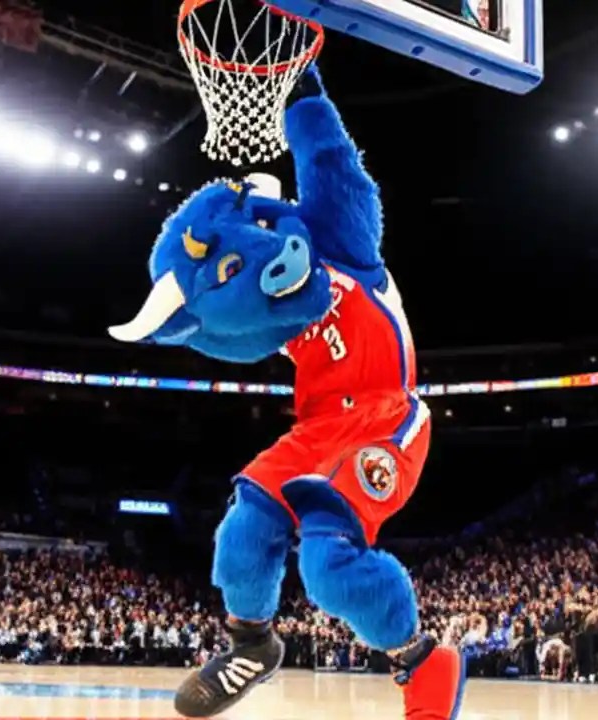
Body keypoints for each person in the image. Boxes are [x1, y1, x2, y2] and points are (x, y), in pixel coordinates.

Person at [108, 64, 462, 720]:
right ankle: (251, 644)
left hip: (387, 416)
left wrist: (302, 94)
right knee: (242, 531)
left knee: (328, 567)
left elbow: (334, 166)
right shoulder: (275, 311)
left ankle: (418, 658)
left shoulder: (342, 249)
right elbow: (228, 330)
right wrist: (185, 319)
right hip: (316, 427)